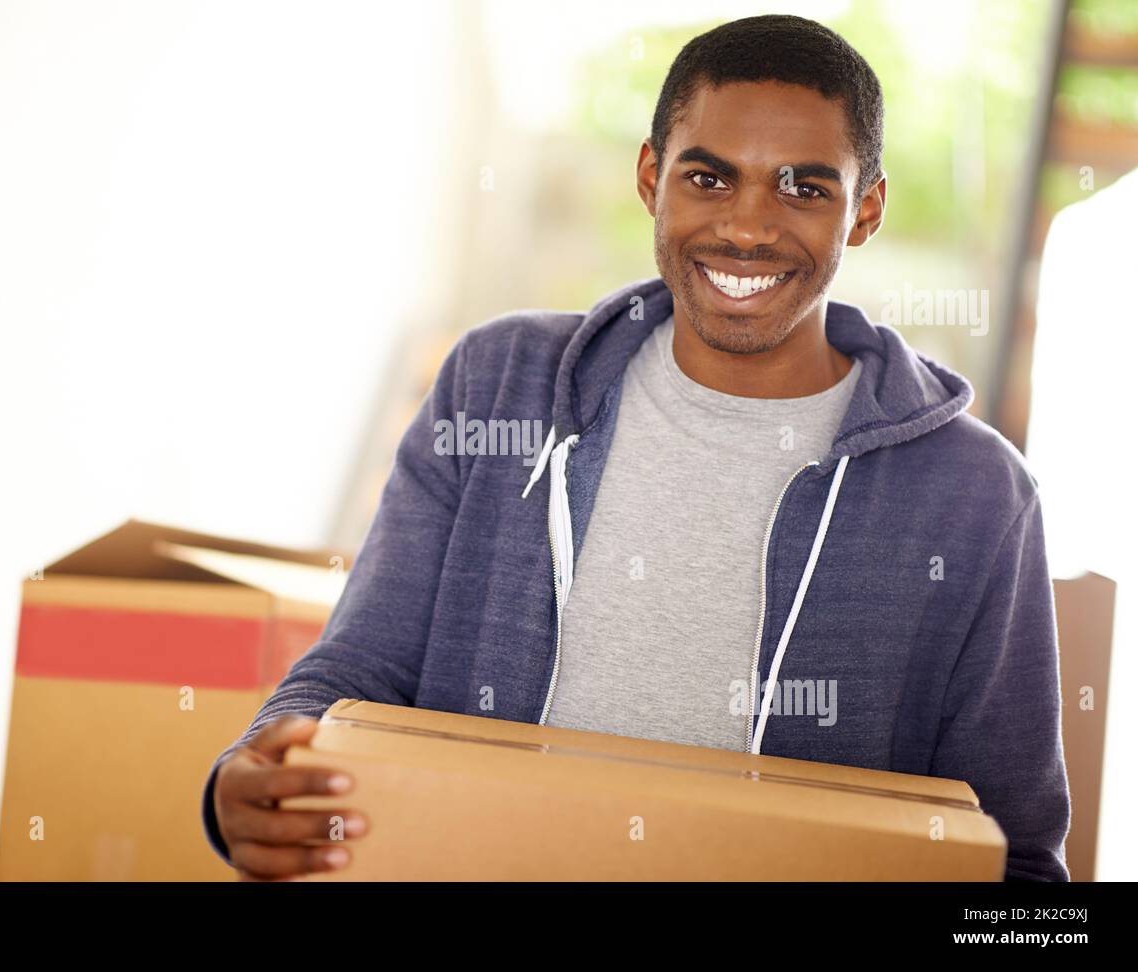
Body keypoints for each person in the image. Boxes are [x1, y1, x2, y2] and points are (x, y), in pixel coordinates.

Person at [204, 14, 1070, 882]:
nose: (749, 227)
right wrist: (250, 778)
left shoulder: (977, 495)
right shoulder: (498, 383)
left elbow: (1017, 863)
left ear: (865, 210)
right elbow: (360, 670)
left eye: (804, 188)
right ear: (653, 179)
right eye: (710, 178)